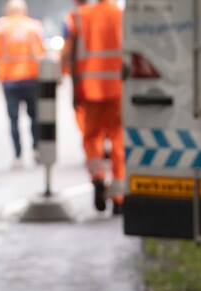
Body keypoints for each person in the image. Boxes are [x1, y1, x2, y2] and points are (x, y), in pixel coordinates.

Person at [65, 0, 124, 214]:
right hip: (118, 89)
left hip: (90, 90)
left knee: (91, 138)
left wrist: (73, 91)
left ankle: (98, 177)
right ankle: (118, 197)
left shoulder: (80, 15)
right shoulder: (121, 14)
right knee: (118, 139)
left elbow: (71, 56)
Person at [0, 0, 46, 169]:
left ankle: (17, 156)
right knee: (35, 117)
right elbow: (43, 52)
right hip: (31, 79)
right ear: (24, 10)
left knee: (13, 120)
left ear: (8, 11)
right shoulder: (34, 27)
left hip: (9, 81)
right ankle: (36, 150)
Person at [61, 0, 89, 135]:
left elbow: (68, 50)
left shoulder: (73, 18)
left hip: (84, 79)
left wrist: (61, 71)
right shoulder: (115, 14)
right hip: (114, 82)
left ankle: (95, 151)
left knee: (88, 126)